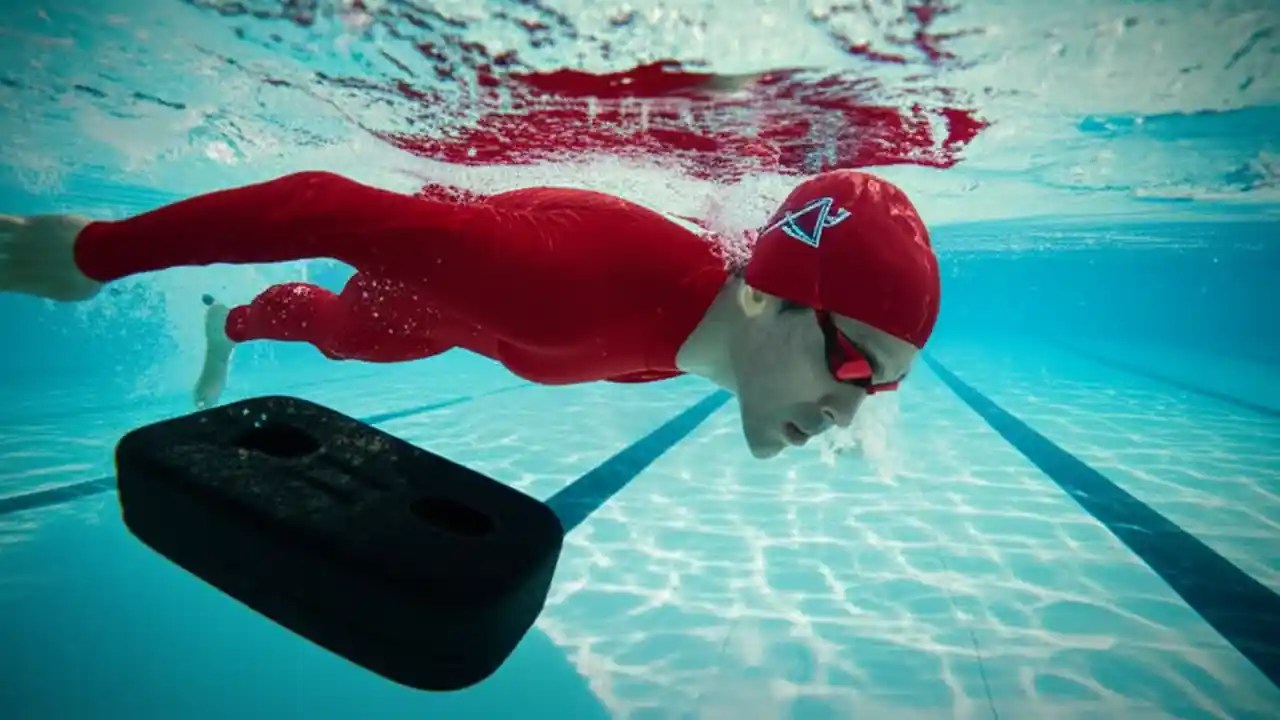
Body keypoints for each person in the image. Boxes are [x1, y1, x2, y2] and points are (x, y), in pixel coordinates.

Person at [0, 169, 939, 459]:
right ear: (766, 297)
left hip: (468, 322)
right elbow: (324, 204)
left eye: (886, 382)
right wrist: (96, 253)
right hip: (427, 305)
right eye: (856, 366)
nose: (854, 410)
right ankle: (232, 328)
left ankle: (240, 326)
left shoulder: (720, 341)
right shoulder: (563, 279)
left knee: (351, 342)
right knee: (335, 332)